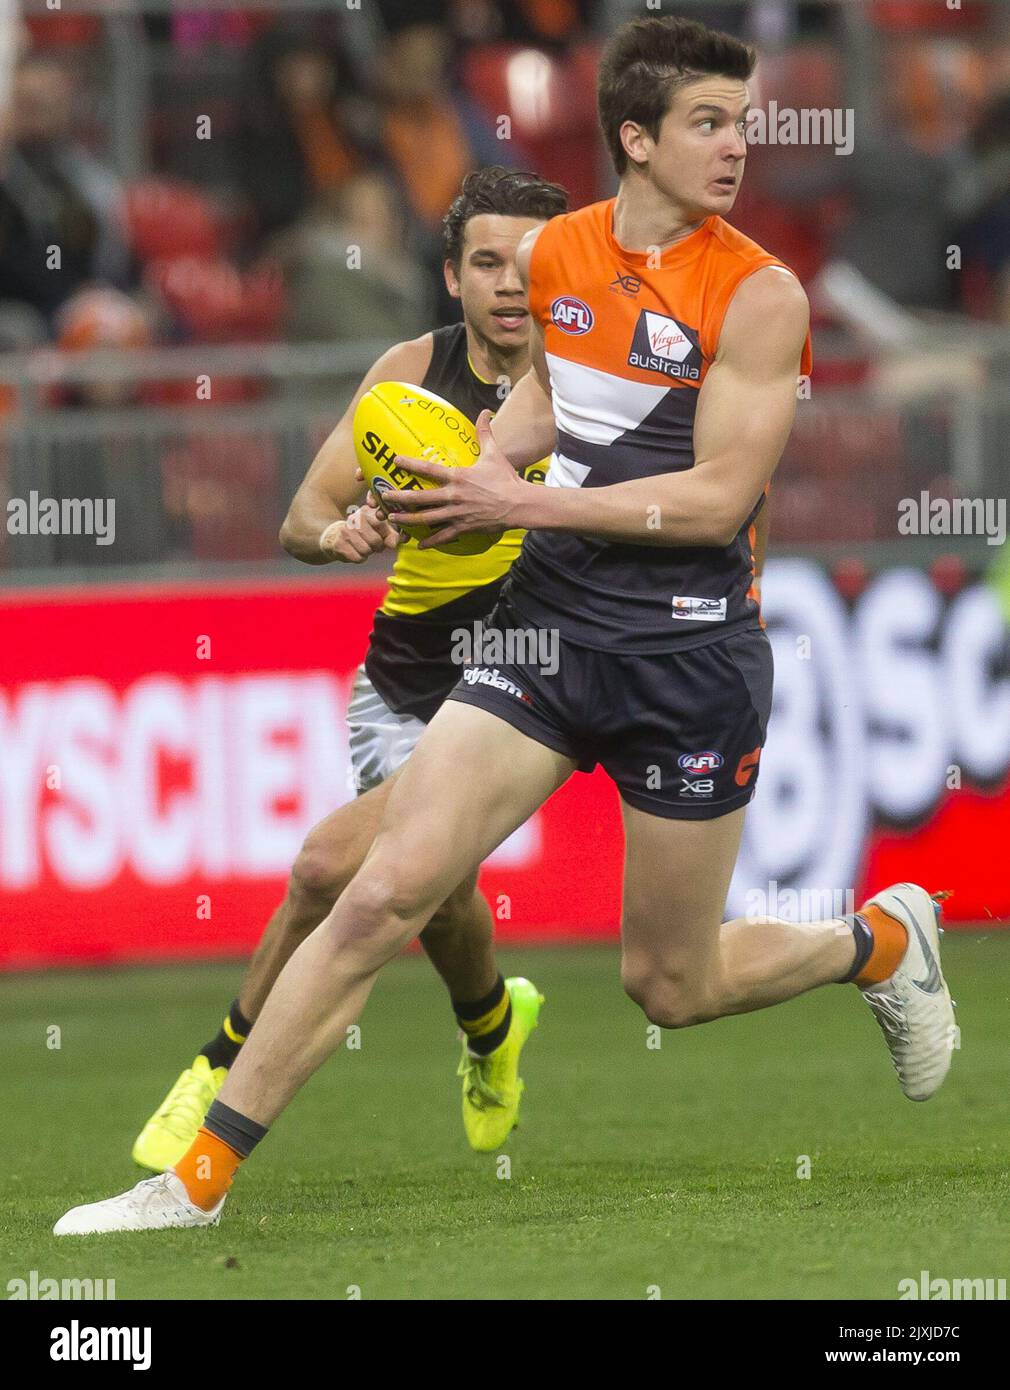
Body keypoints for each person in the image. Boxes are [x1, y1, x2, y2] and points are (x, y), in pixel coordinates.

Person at [55, 15, 954, 1237]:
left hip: (688, 652)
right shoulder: (564, 257)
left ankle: (876, 943)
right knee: (378, 892)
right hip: (548, 635)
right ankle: (193, 1180)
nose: (738, 144)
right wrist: (458, 471)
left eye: (741, 120)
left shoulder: (759, 295)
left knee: (668, 985)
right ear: (633, 139)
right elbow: (547, 395)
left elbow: (715, 499)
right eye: (708, 122)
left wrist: (515, 497)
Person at [126, 166, 568, 1181]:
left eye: (532, 265)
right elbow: (297, 518)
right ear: (451, 276)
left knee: (333, 868)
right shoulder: (410, 378)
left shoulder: (597, 381)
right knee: (440, 894)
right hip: (411, 692)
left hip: (538, 689)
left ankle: (215, 1065)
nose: (510, 285)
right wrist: (343, 530)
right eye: (486, 263)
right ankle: (494, 1026)